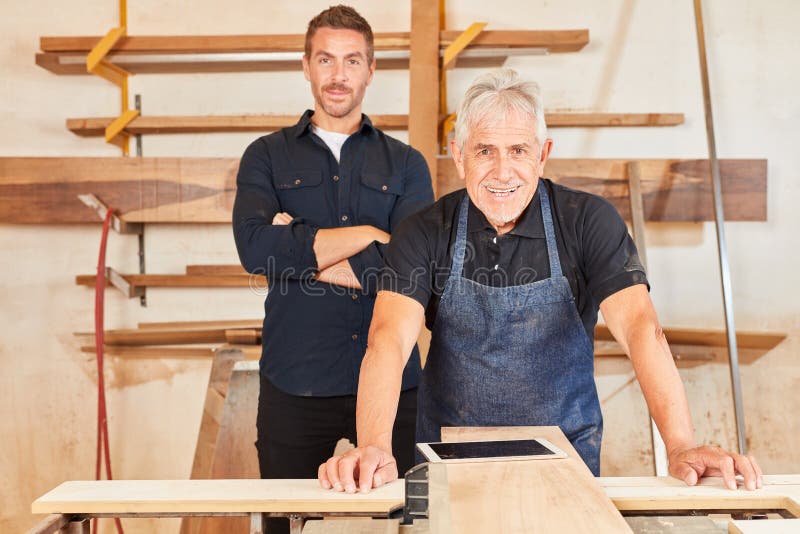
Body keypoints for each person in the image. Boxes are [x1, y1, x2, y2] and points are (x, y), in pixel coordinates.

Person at [318, 68, 763, 494]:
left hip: (567, 461)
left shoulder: (588, 221)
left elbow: (640, 330)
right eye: (484, 150)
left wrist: (680, 445)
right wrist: (373, 444)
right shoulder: (425, 231)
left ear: (543, 153)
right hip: (449, 460)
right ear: (458, 154)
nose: (503, 171)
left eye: (518, 150)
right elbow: (388, 340)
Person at [232, 6, 433, 530]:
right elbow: (257, 250)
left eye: (351, 61)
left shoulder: (407, 164)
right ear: (305, 65)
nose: (338, 75)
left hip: (395, 384)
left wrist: (299, 249)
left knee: (418, 522)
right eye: (325, 59)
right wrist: (370, 236)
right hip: (295, 383)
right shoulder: (266, 157)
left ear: (371, 69)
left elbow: (413, 270)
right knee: (283, 524)